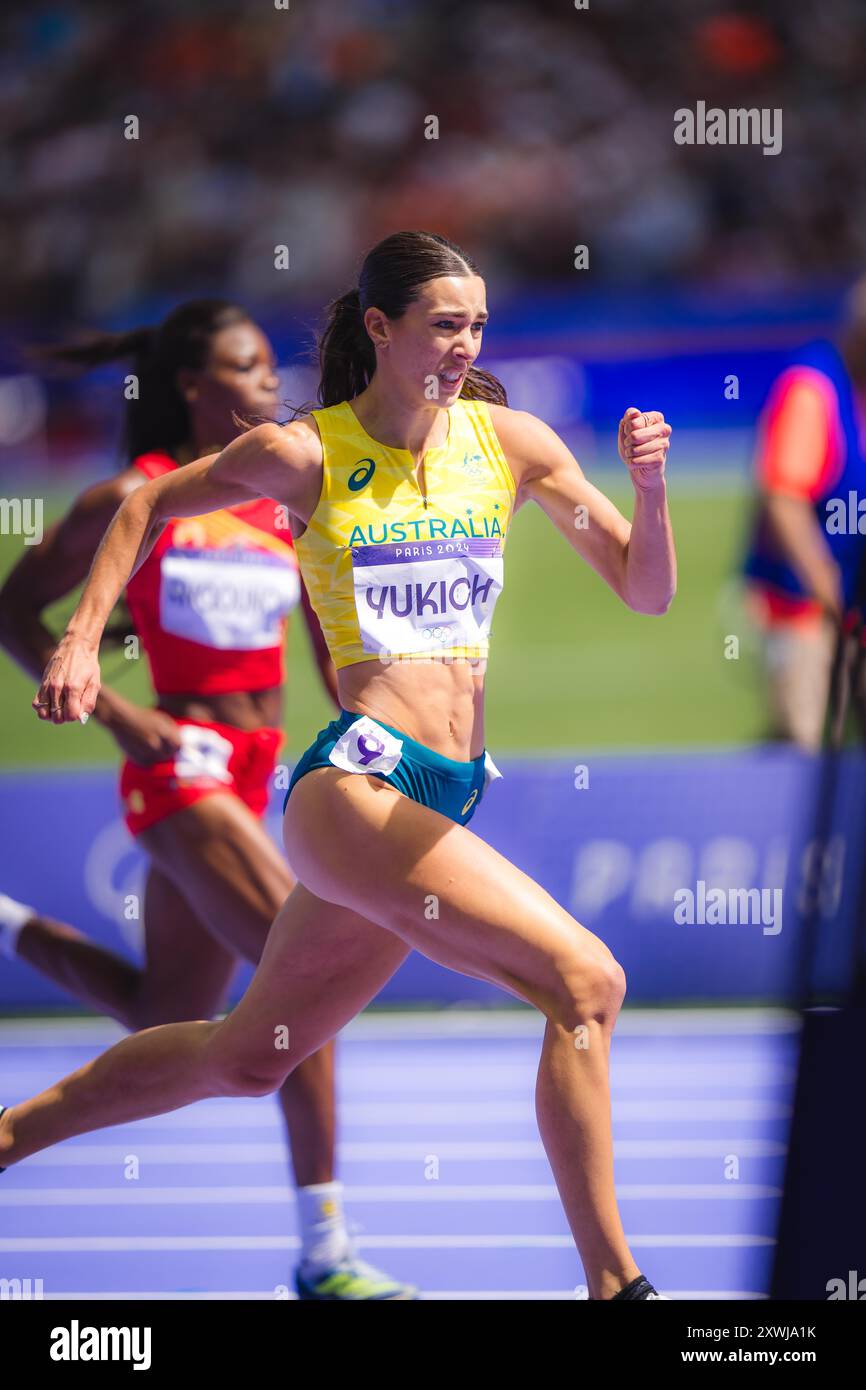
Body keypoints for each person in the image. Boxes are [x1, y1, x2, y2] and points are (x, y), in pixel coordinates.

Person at [1, 231, 676, 1300]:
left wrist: (647, 489)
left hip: (441, 795)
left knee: (245, 1053)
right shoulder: (304, 454)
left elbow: (645, 591)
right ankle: (617, 1289)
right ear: (380, 327)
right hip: (356, 789)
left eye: (478, 326)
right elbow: (141, 504)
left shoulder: (512, 444)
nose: (464, 347)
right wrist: (83, 637)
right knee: (585, 982)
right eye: (443, 325)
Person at [0, 298, 415, 1301]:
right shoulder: (131, 499)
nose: (270, 385)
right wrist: (122, 716)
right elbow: (15, 608)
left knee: (162, 1008)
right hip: (176, 769)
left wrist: (379, 730)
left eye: (276, 368)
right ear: (192, 385)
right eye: (246, 366)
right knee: (300, 972)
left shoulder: (283, 504)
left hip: (255, 771)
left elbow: (329, 645)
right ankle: (326, 1251)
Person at [743, 277, 866, 749]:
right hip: (802, 608)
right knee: (805, 743)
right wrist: (825, 583)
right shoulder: (813, 388)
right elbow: (784, 496)